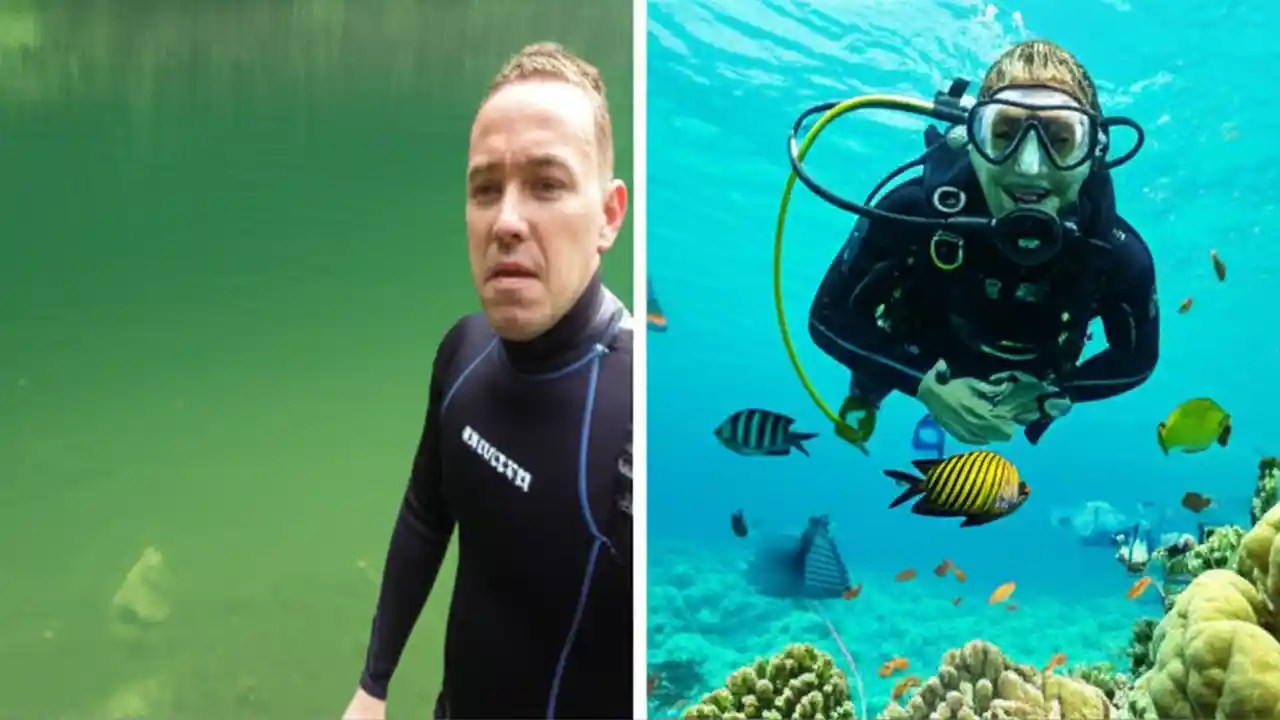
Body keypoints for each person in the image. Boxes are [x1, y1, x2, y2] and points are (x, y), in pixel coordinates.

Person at [340, 42, 633, 720]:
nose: (505, 221)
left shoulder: (632, 414)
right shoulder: (462, 353)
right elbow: (424, 514)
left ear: (609, 216)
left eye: (547, 184)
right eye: (484, 189)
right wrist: (372, 686)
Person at [808, 40, 1159, 447]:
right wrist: (920, 381)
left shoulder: (1115, 253)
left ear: (1093, 152)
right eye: (1003, 134)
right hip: (920, 346)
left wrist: (1057, 395)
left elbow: (1136, 359)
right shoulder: (912, 212)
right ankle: (867, 397)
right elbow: (828, 317)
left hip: (1036, 378)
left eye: (1061, 140)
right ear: (972, 140)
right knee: (870, 378)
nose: (1029, 167)